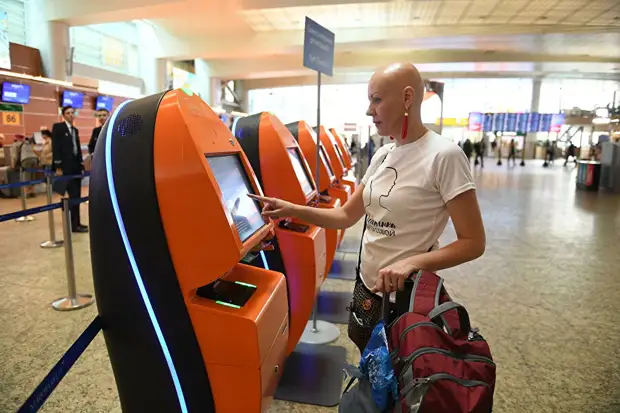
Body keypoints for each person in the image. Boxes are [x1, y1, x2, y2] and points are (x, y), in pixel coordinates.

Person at [248, 63, 486, 352]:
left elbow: (473, 242)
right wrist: (292, 209)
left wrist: (411, 263)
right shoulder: (384, 154)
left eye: (376, 99)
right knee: (370, 374)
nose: (368, 110)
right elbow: (345, 215)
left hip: (406, 300)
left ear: (407, 98)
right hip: (367, 291)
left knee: (399, 386)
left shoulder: (444, 156)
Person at [52, 106, 88, 233]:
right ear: (63, 115)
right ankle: (74, 224)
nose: (71, 115)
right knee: (72, 196)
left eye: (73, 113)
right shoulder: (58, 128)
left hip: (76, 168)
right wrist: (58, 166)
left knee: (76, 195)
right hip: (66, 168)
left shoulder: (75, 130)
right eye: (68, 113)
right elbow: (56, 147)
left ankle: (76, 223)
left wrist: (82, 166)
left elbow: (77, 149)